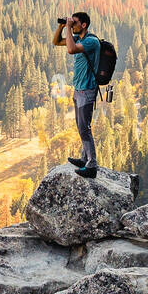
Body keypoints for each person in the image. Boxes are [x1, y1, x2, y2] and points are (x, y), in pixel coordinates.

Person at [54, 11, 100, 179]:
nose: (72, 25)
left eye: (75, 22)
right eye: (71, 22)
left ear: (84, 25)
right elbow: (57, 41)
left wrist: (67, 27)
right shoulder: (79, 39)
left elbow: (71, 49)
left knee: (84, 128)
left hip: (87, 90)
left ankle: (92, 165)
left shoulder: (91, 41)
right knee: (81, 126)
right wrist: (62, 26)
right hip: (78, 89)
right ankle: (84, 158)